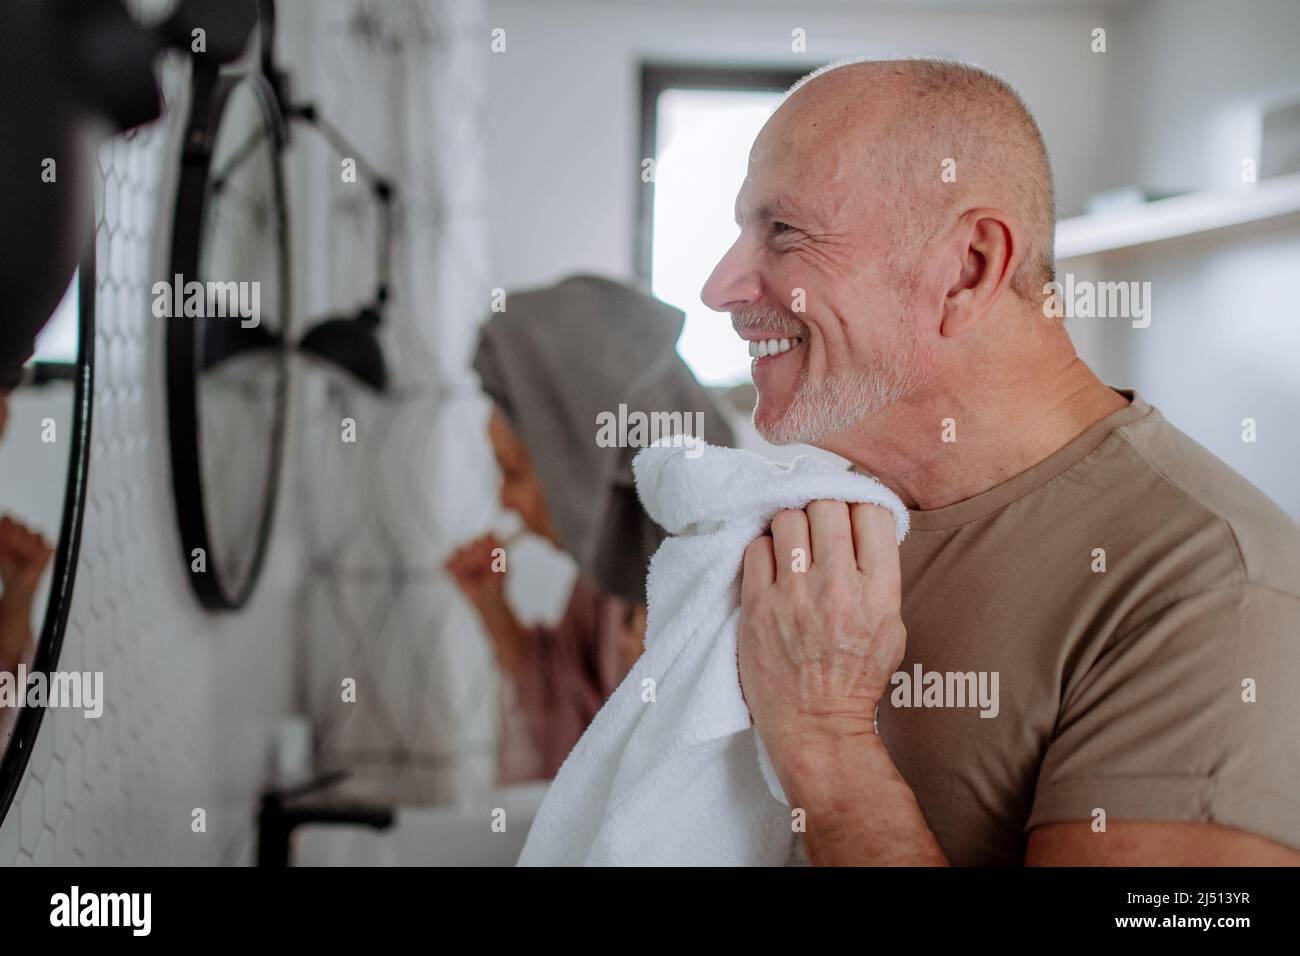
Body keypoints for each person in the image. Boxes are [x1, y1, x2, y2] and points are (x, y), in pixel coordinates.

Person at [704, 58, 1300, 865]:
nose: (720, 287)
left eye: (785, 231)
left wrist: (824, 742)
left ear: (968, 268)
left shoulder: (1217, 595)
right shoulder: (817, 521)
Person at [446, 274, 735, 783]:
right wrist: (496, 614)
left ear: (585, 465)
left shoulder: (733, 587)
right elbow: (571, 753)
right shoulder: (610, 576)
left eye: (513, 472)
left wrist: (663, 701)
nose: (504, 501)